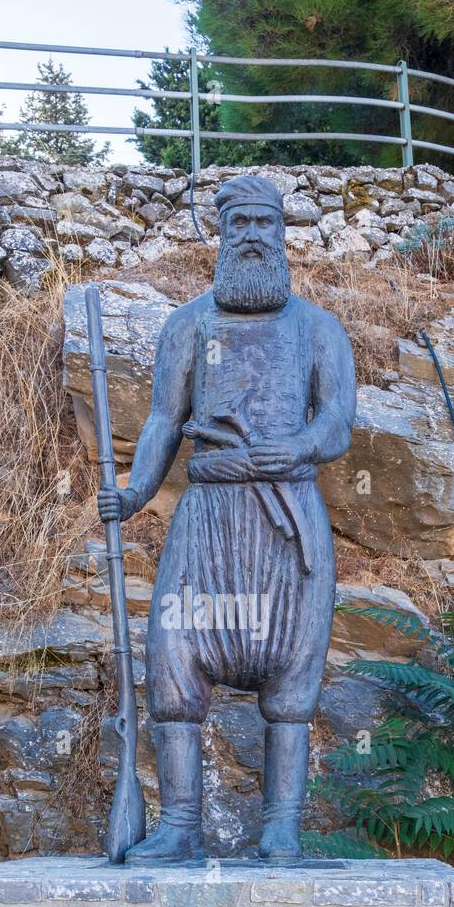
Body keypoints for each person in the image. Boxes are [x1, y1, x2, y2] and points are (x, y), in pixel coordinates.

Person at [98, 174, 356, 863]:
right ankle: (181, 824)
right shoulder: (187, 326)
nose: (250, 235)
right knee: (175, 657)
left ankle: (281, 827)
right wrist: (134, 493)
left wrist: (296, 444)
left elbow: (336, 422)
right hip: (208, 513)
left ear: (280, 233)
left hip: (287, 518)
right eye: (236, 223)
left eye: (261, 224)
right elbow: (162, 421)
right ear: (220, 234)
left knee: (294, 679)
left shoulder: (318, 329)